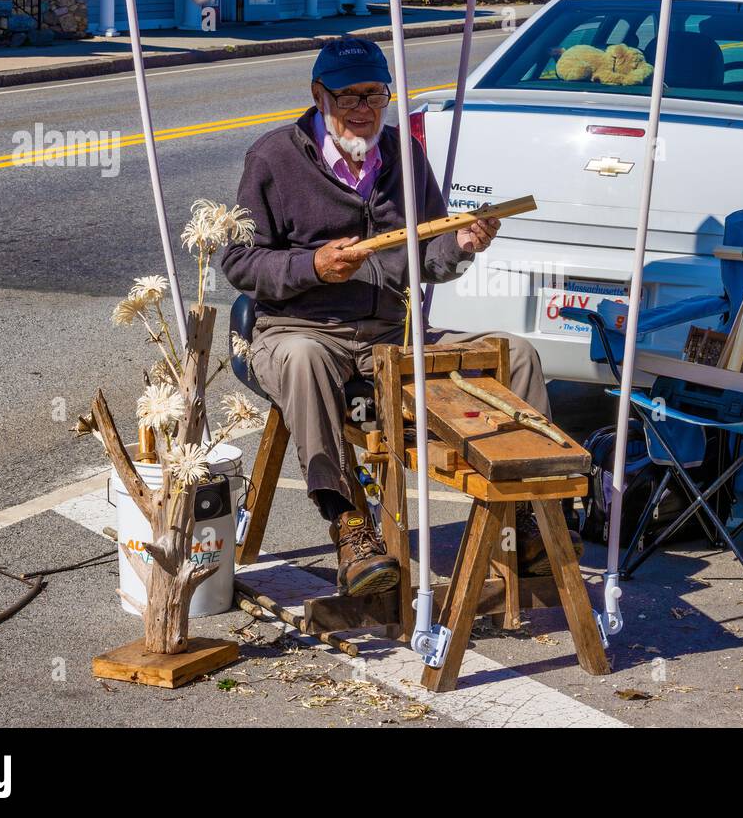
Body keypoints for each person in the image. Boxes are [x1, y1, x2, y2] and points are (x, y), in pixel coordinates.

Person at [222, 36, 579, 596]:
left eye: (375, 96)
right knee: (304, 357)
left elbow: (428, 258)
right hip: (298, 329)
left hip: (395, 331)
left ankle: (529, 519)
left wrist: (460, 243)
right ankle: (347, 523)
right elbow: (239, 263)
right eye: (349, 99)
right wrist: (313, 266)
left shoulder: (402, 156)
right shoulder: (273, 158)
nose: (363, 111)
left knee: (518, 357)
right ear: (319, 96)